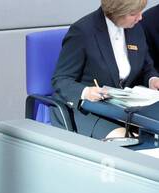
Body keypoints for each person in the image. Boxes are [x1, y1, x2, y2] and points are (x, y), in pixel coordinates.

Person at [53, 1, 159, 139]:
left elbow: (146, 67)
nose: (140, 17)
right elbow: (60, 80)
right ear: (117, 12)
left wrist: (153, 79)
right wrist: (86, 92)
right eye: (133, 14)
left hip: (123, 110)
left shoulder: (135, 28)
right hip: (88, 110)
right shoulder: (83, 32)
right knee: (130, 142)